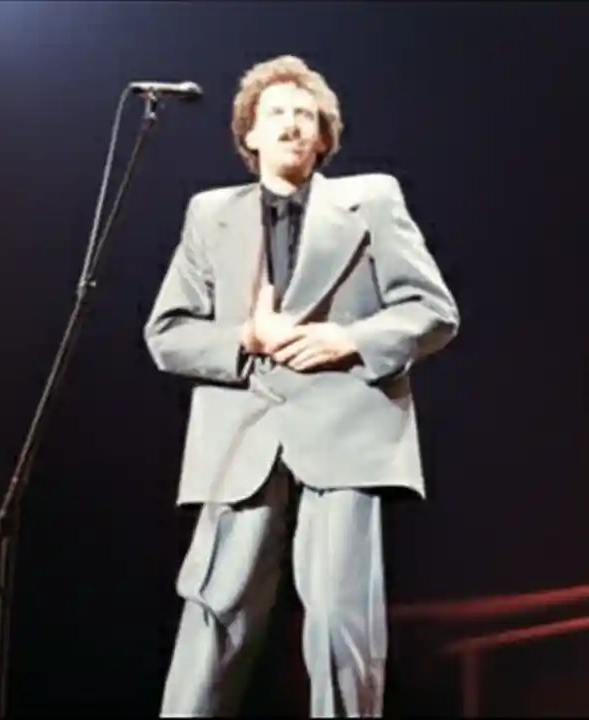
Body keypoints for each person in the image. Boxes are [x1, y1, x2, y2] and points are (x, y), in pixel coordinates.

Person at [143, 54, 460, 717]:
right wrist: (245, 339)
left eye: (305, 116)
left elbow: (433, 312)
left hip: (345, 426)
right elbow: (167, 333)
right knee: (212, 612)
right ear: (250, 134)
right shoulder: (209, 214)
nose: (291, 125)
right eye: (277, 114)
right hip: (241, 436)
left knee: (339, 621)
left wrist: (352, 339)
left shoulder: (372, 198)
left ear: (323, 138)